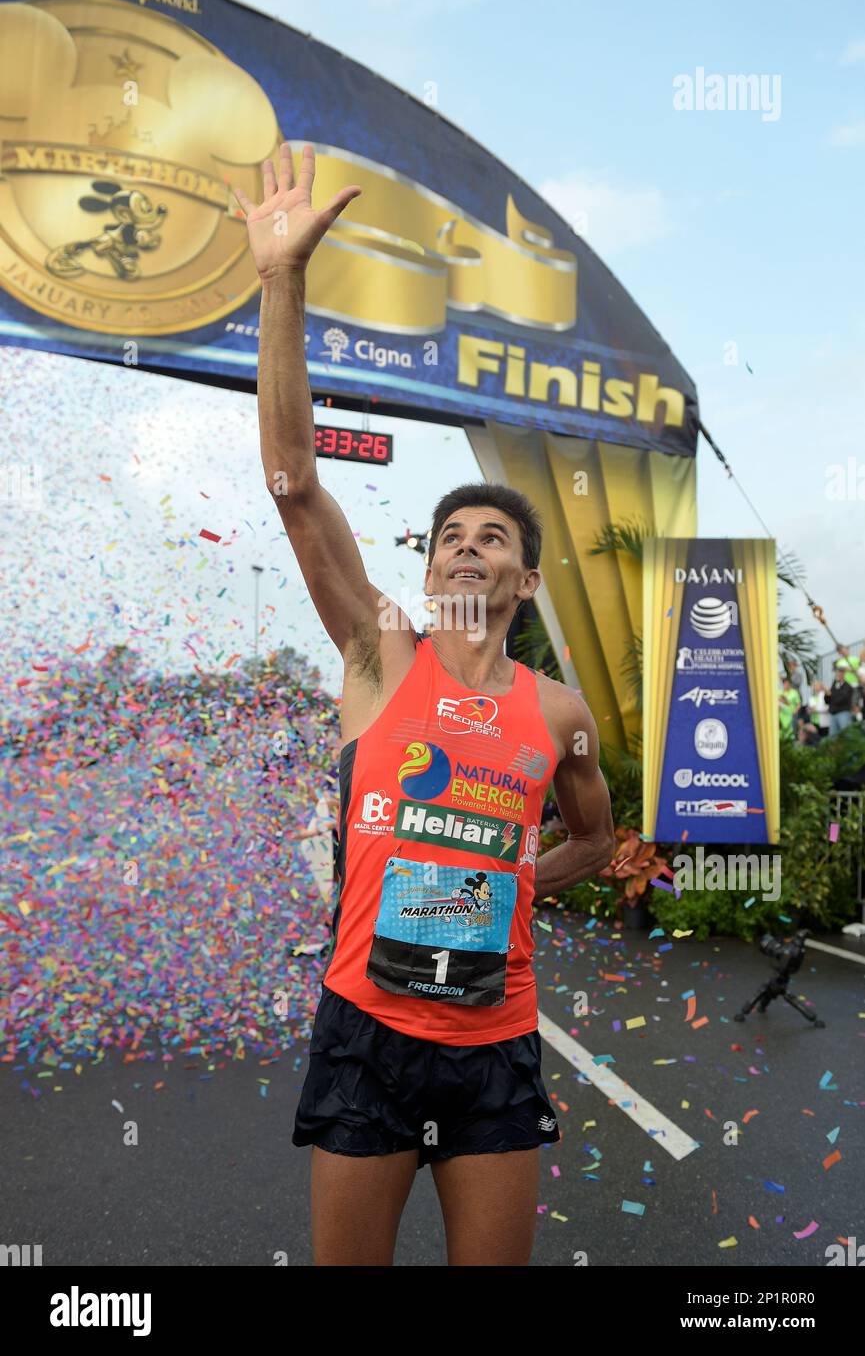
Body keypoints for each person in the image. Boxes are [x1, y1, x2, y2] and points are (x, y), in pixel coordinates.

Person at [234, 143, 616, 1267]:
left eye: (490, 537)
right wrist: (282, 278)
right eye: (449, 534)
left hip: (493, 1046)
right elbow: (293, 482)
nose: (464, 547)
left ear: (525, 581)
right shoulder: (378, 651)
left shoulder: (559, 713)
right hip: (368, 1031)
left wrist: (517, 881)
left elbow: (595, 834)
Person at [827, 660, 854, 736]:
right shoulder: (834, 685)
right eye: (837, 672)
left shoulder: (848, 686)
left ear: (843, 673)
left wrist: (831, 695)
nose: (837, 673)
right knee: (833, 737)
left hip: (843, 713)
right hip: (833, 714)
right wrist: (827, 694)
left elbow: (841, 699)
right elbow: (827, 700)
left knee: (846, 735)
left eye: (840, 672)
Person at [778, 675, 800, 740]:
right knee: (781, 733)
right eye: (785, 683)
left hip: (791, 715)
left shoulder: (794, 692)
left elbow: (798, 704)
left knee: (791, 733)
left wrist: (795, 711)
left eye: (788, 684)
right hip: (781, 716)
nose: (786, 685)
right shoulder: (779, 692)